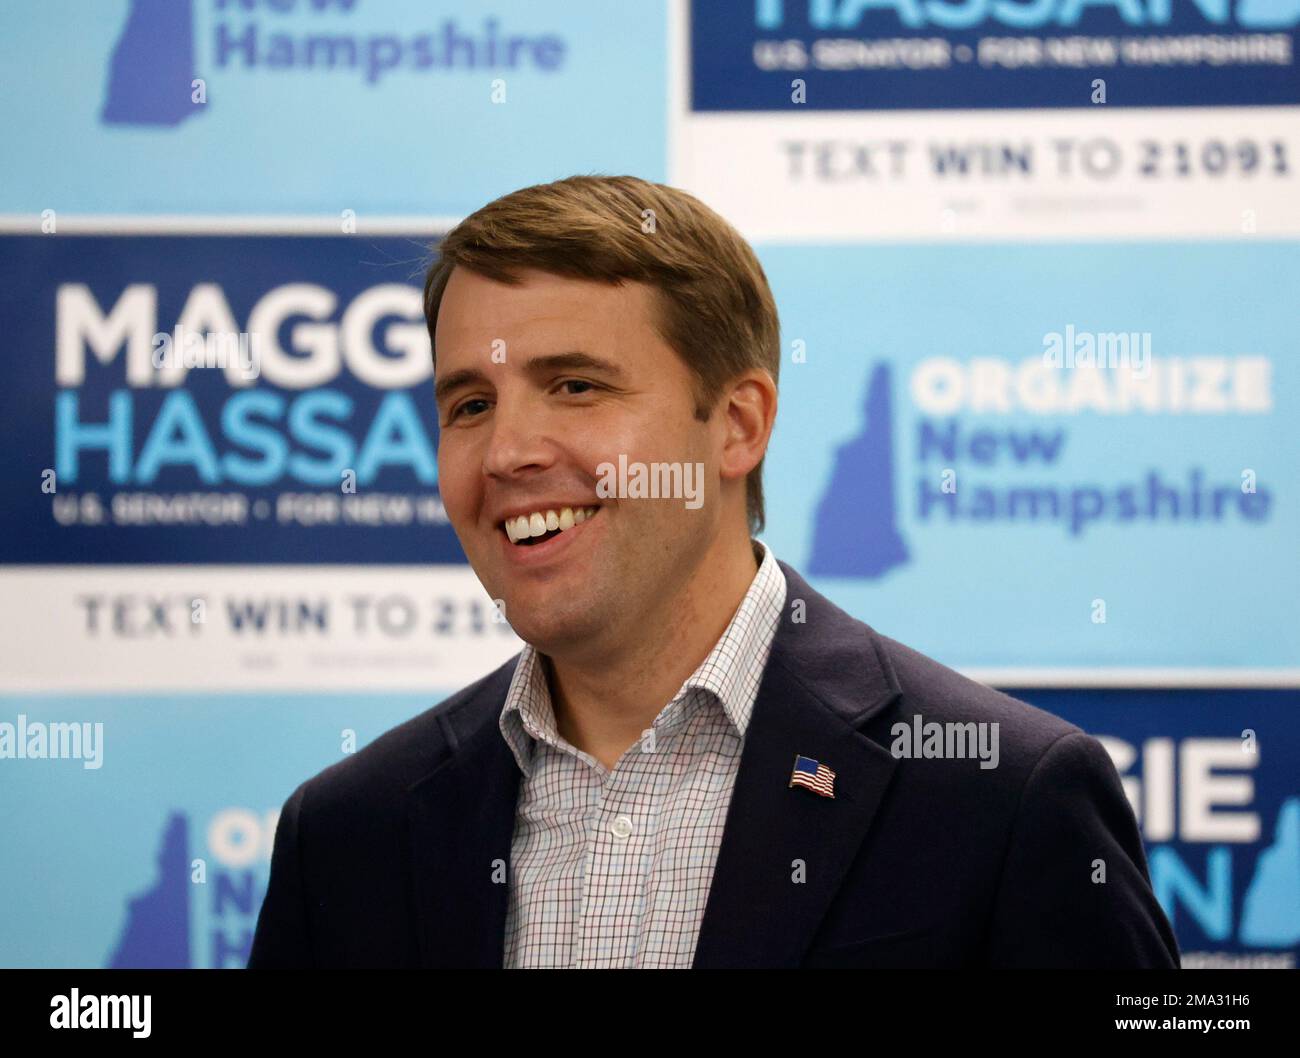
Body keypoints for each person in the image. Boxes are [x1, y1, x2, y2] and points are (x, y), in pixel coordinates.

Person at [247, 175, 1180, 969]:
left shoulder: (1003, 798)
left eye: (576, 385)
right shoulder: (347, 835)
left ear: (737, 425)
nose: (507, 452)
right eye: (470, 402)